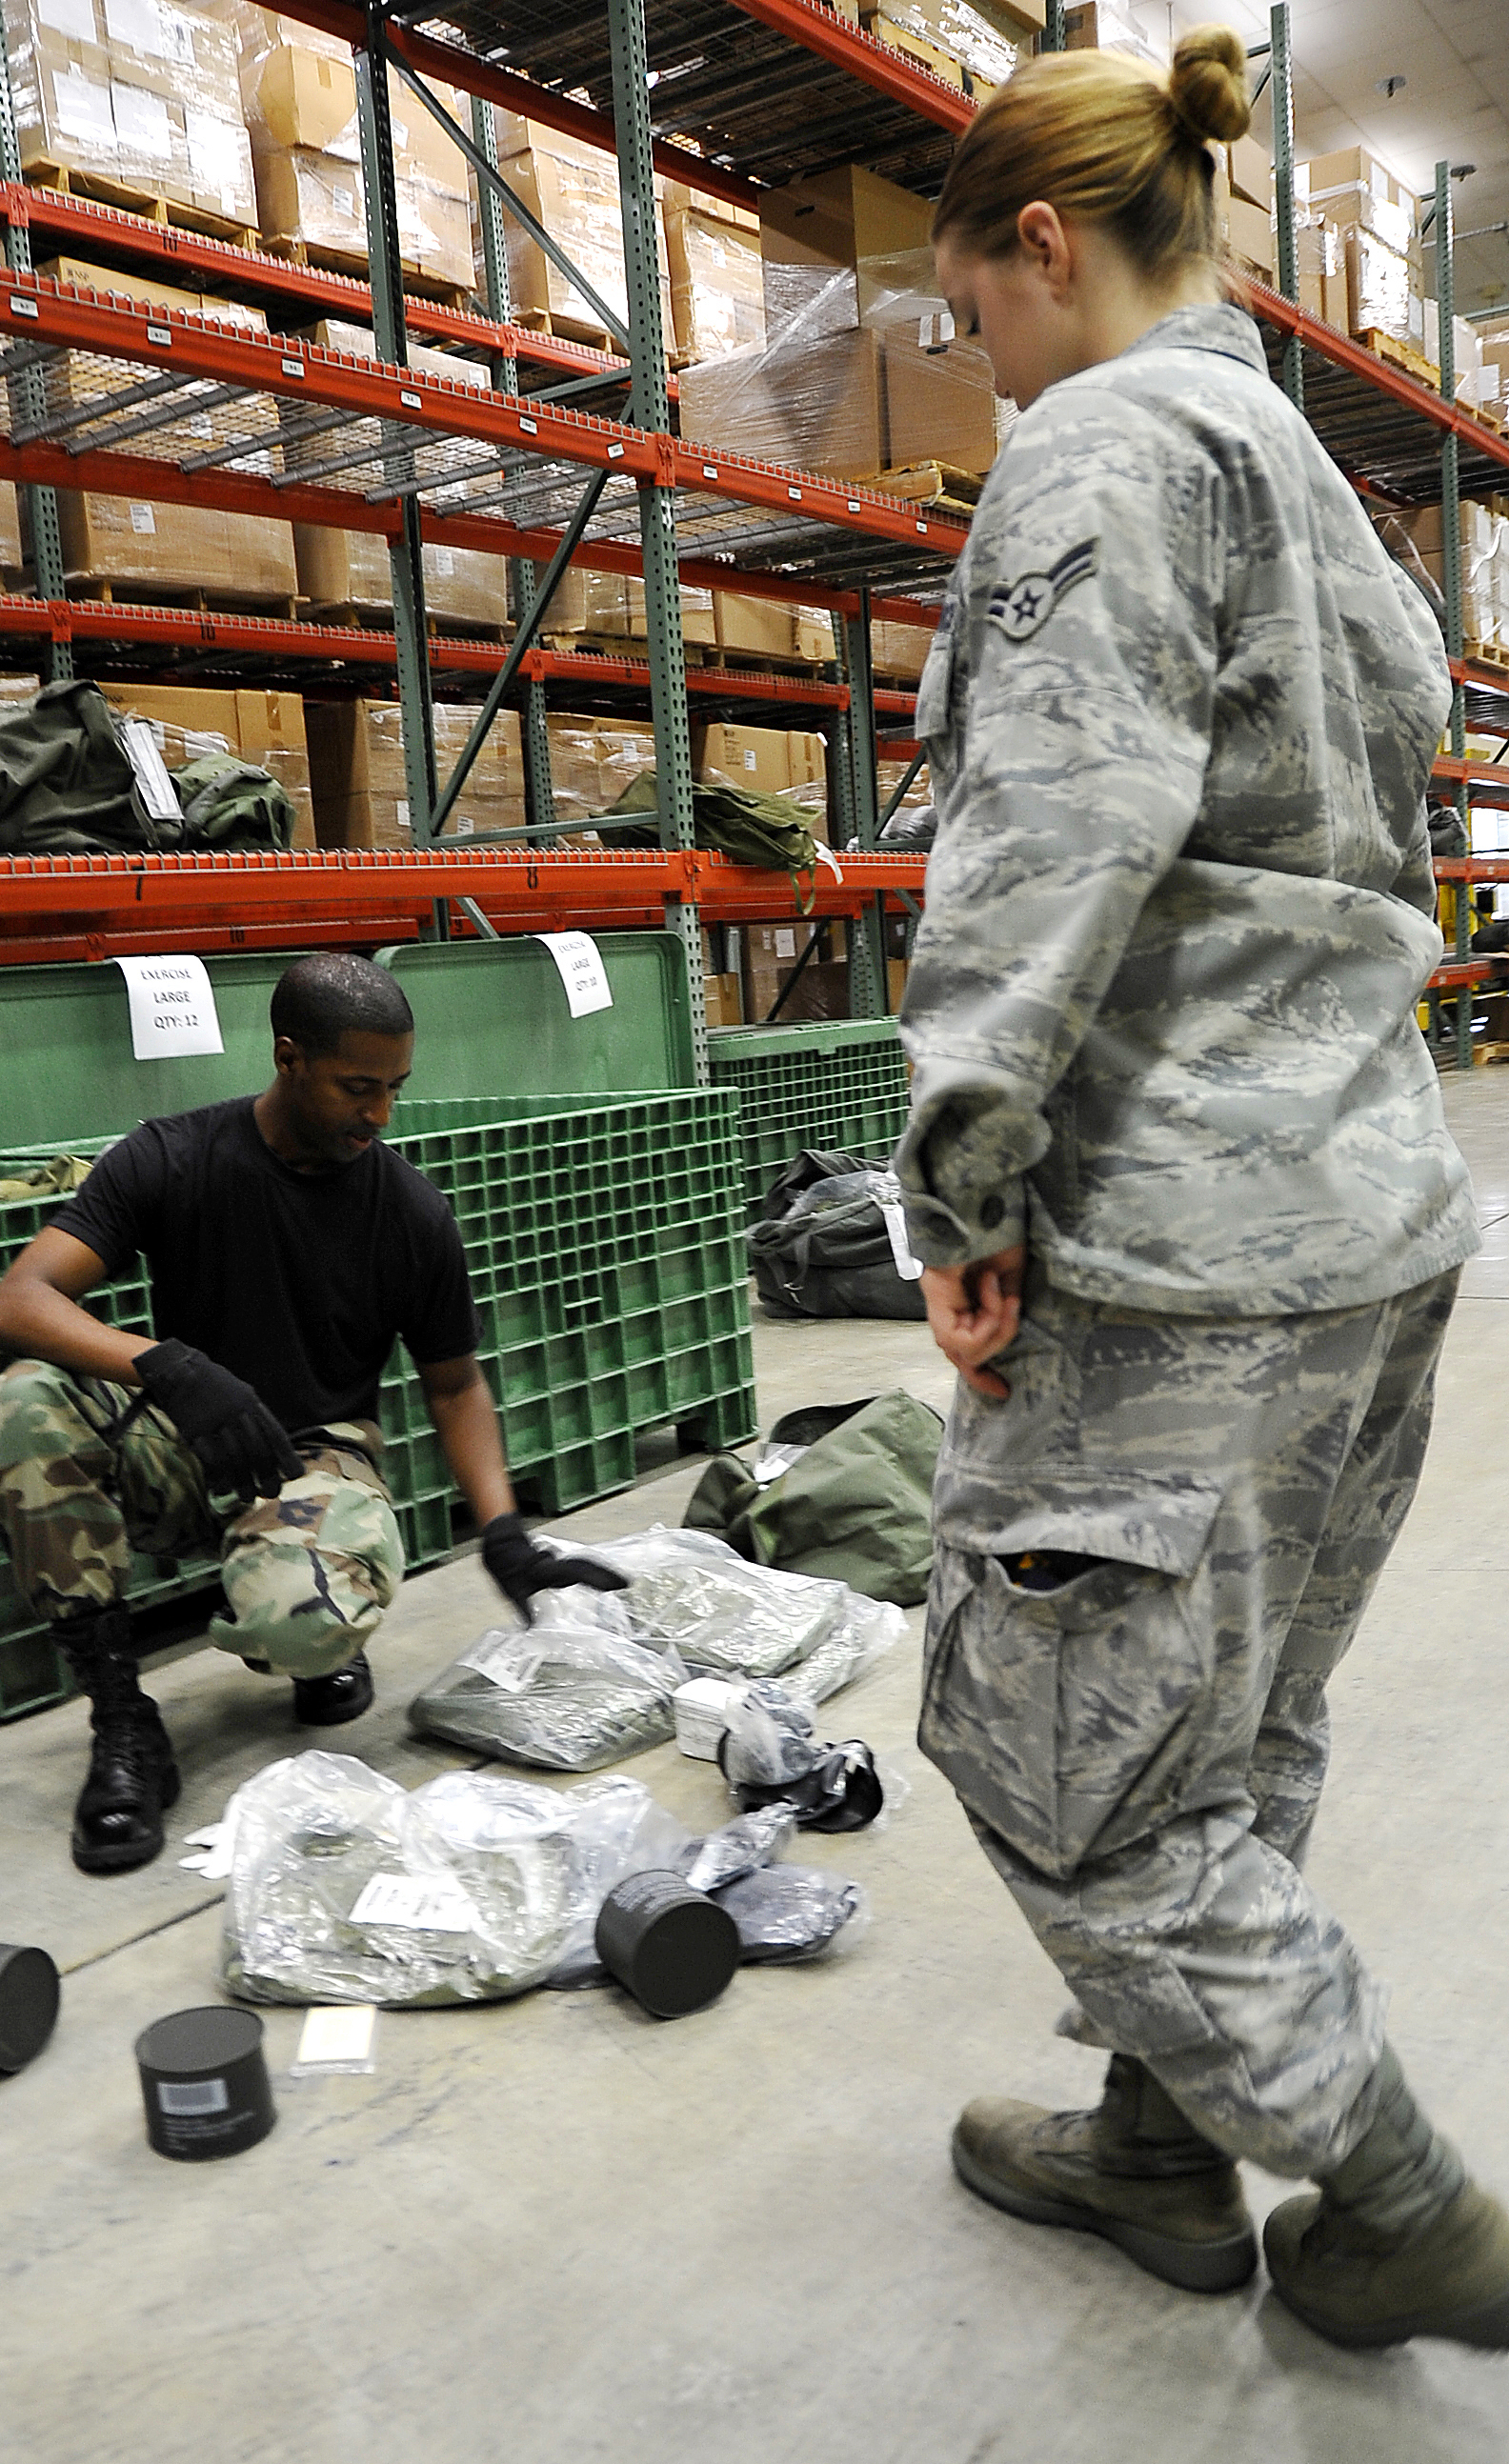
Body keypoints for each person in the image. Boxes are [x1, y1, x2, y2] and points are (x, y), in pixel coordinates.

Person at [897, 26, 1509, 2354]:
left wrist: (963, 1182)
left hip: (1172, 1246)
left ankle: (1401, 2196)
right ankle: (1161, 2148)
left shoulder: (1108, 446)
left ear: (1040, 246)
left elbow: (1044, 838)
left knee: (1073, 1775)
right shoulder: (1307, 467)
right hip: (1367, 1211)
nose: (980, 373)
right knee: (1229, 1726)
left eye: (968, 319)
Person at [0, 952, 622, 1877]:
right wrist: (166, 1364)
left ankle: (306, 1625)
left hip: (314, 1458)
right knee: (26, 1397)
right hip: (185, 1438)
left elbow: (453, 1384)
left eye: (396, 1088)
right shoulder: (173, 1156)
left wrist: (504, 1531)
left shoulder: (409, 1212)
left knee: (299, 1626)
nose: (381, 1115)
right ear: (288, 1057)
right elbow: (18, 1303)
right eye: (359, 1087)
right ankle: (122, 1717)